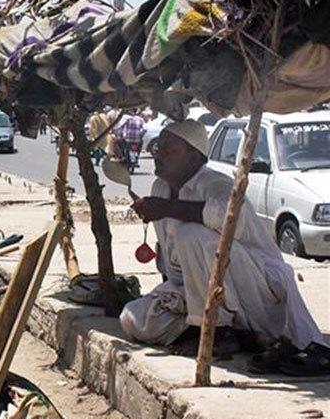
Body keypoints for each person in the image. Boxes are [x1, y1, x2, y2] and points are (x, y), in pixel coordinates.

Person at [121, 120, 330, 375]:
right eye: (157, 148)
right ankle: (237, 334)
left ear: (193, 155)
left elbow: (225, 217)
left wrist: (165, 208)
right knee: (133, 318)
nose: (158, 155)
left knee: (192, 234)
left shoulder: (216, 184)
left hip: (252, 288)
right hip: (197, 291)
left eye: (167, 149)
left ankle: (216, 330)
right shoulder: (161, 188)